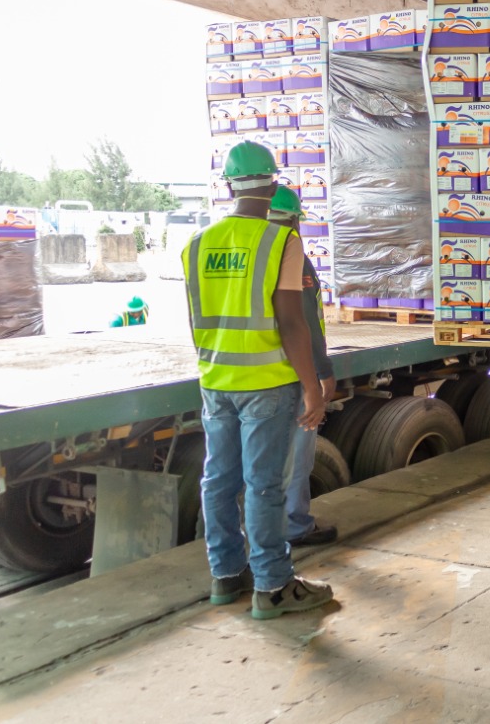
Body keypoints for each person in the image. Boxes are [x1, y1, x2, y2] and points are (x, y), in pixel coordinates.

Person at [183, 141, 333, 620]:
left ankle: (226, 574)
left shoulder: (195, 245)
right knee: (264, 487)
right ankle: (272, 585)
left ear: (227, 185)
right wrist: (313, 386)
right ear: (273, 184)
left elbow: (197, 319)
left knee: (218, 480)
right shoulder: (281, 242)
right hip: (267, 383)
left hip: (215, 382)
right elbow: (292, 322)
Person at [268, 186, 339, 548]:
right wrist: (321, 372)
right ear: (293, 219)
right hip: (294, 373)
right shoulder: (292, 253)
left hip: (253, 375)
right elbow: (305, 321)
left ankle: (264, 527)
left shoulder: (249, 252)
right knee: (297, 455)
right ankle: (295, 526)